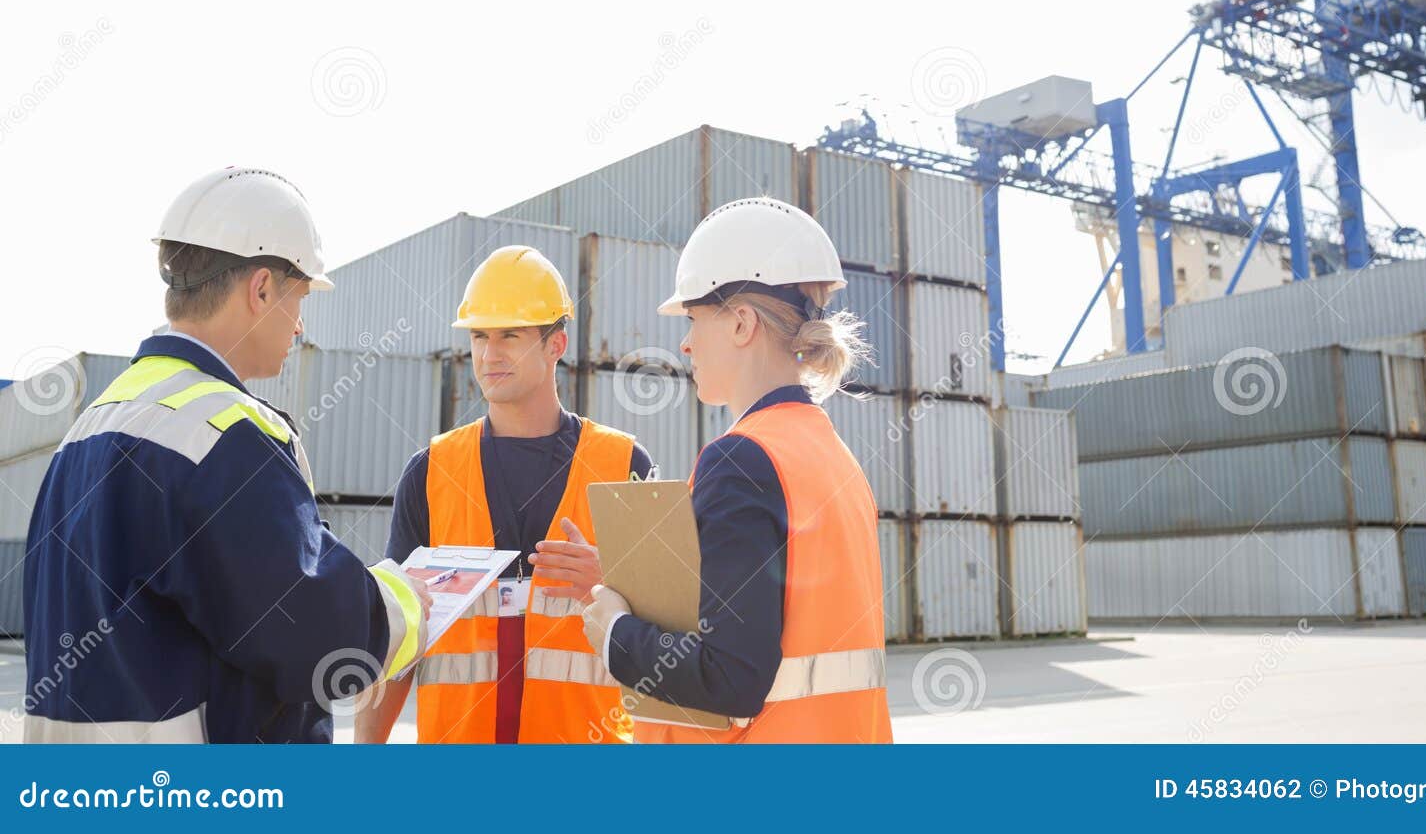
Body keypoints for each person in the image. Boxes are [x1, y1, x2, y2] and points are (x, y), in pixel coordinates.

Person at [22, 167, 431, 743]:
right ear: (261, 288)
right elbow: (313, 636)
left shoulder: (90, 427)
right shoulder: (225, 432)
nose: (301, 324)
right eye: (300, 296)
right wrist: (407, 601)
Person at [583, 196, 893, 743]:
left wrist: (615, 631)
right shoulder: (832, 455)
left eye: (695, 319)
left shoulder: (741, 459)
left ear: (742, 323)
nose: (685, 342)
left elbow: (732, 676)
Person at [356, 245, 654, 745]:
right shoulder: (431, 473)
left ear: (555, 344)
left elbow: (673, 641)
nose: (489, 354)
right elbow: (400, 632)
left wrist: (612, 584)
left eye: (510, 335)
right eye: (480, 336)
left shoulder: (623, 467)